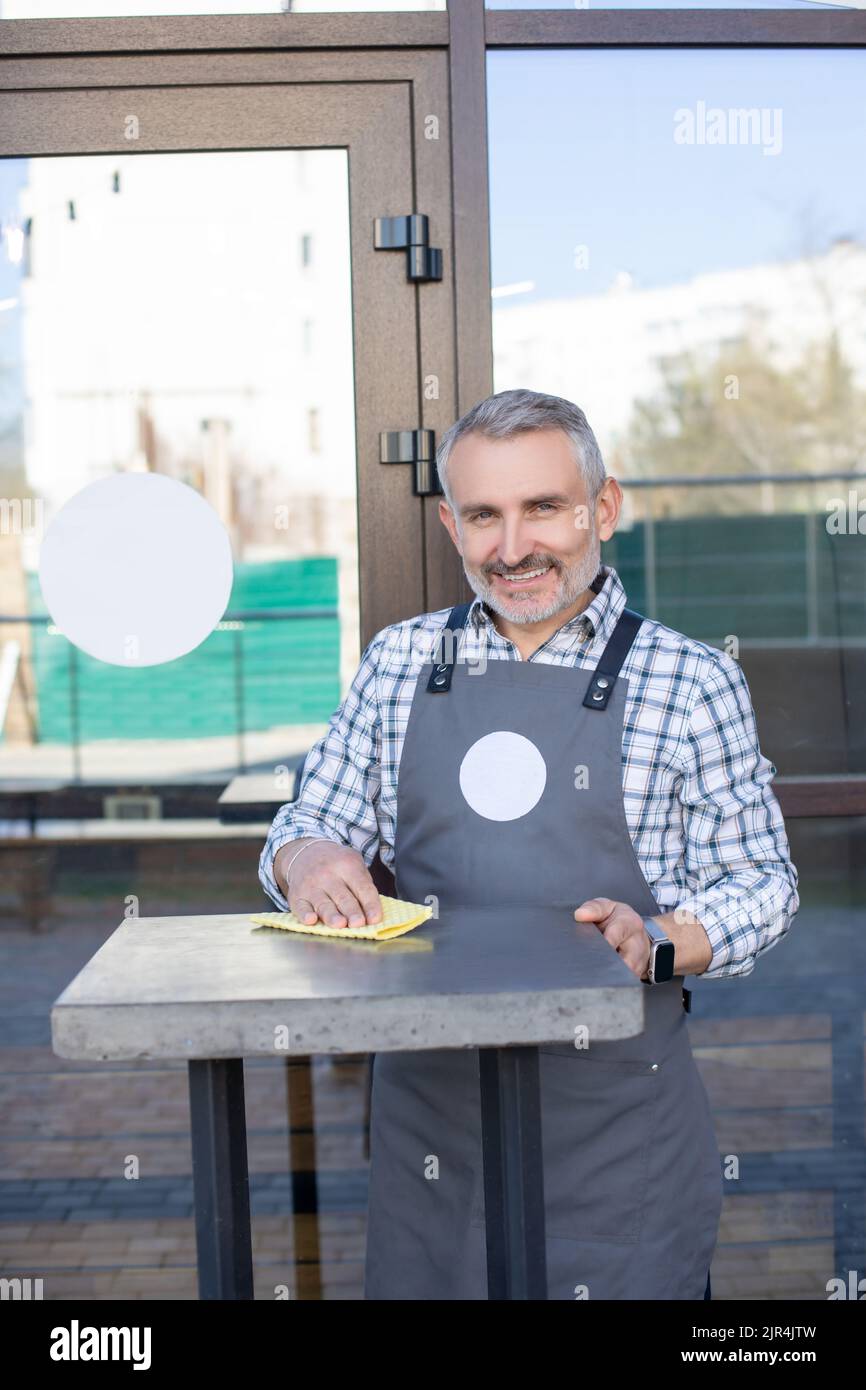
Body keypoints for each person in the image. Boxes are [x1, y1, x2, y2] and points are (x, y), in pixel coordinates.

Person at [259, 388, 799, 1300]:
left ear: (604, 507)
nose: (513, 549)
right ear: (449, 524)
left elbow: (763, 883)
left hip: (616, 1120)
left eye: (543, 507)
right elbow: (306, 825)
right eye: (484, 517)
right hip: (433, 1117)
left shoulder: (692, 680)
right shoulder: (399, 662)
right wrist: (308, 860)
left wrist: (662, 937)